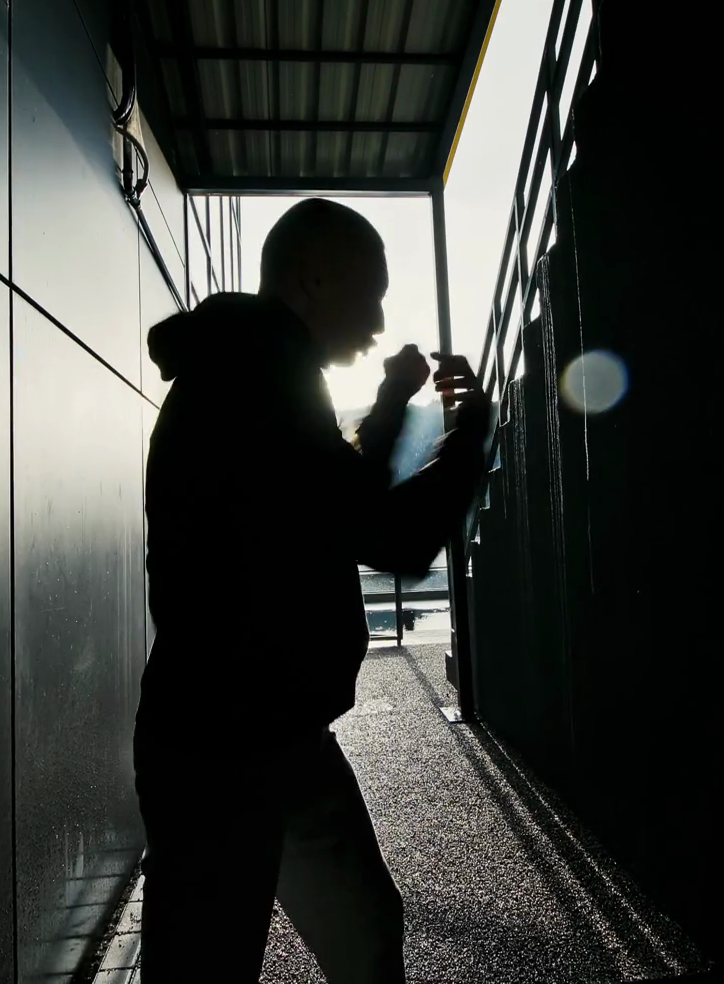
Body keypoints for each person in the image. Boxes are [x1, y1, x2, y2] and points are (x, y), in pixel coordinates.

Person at [134, 198, 491, 982]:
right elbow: (385, 533)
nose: (379, 319)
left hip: (245, 732)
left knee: (352, 936)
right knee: (340, 944)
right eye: (370, 292)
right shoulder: (261, 378)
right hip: (232, 748)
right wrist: (470, 439)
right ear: (314, 276)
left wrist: (392, 402)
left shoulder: (248, 366)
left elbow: (330, 500)